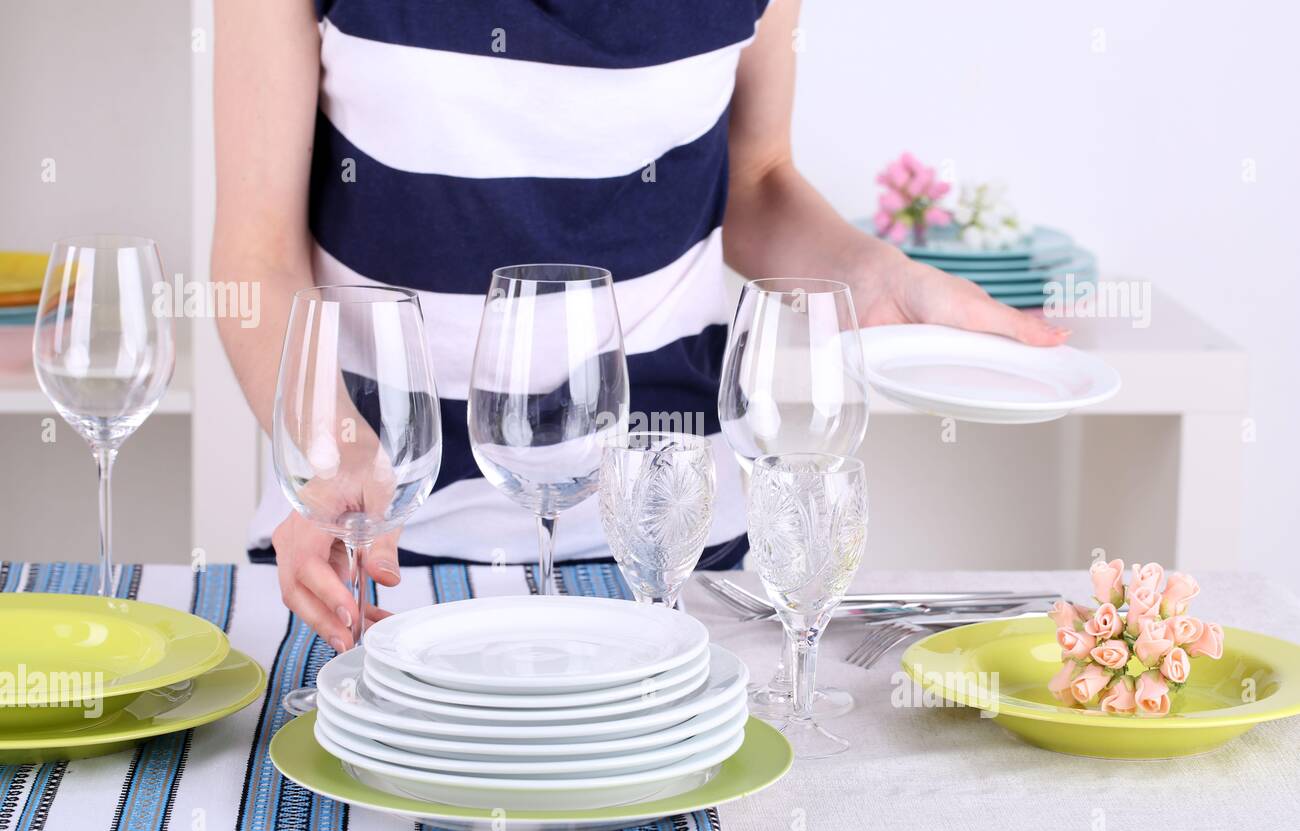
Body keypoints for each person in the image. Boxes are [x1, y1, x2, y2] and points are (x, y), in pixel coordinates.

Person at [212, 0, 1067, 652]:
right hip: (369, 555)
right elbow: (256, 253)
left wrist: (886, 281)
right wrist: (330, 455)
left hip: (676, 552)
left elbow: (757, 179)